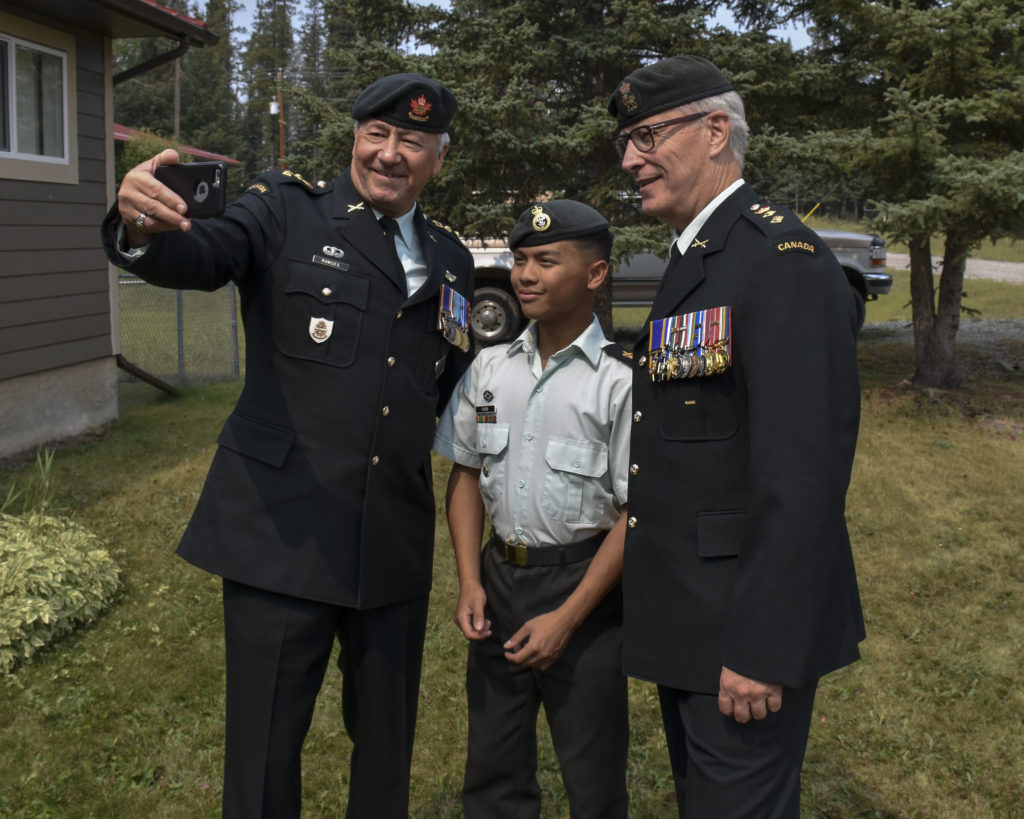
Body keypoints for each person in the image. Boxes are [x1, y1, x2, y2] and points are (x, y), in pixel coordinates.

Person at [101, 73, 475, 818]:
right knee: (265, 754)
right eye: (378, 134)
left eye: (412, 141)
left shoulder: (453, 258)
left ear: (438, 158)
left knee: (386, 754)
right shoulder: (284, 211)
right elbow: (204, 254)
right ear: (355, 140)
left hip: (391, 541)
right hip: (282, 531)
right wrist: (141, 227)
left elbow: (445, 385)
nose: (390, 153)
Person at [607, 55, 866, 817]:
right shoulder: (702, 253)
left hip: (741, 632)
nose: (629, 159)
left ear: (716, 131)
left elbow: (802, 477)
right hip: (690, 618)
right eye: (626, 141)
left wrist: (761, 648)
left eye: (648, 135)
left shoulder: (778, 260)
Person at [434, 200, 632, 818]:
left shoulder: (619, 382)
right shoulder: (489, 369)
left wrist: (568, 619)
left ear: (595, 275)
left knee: (593, 778)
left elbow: (637, 514)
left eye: (547, 261)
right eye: (520, 259)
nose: (525, 274)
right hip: (500, 581)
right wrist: (470, 580)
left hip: (587, 589)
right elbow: (466, 473)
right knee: (492, 771)